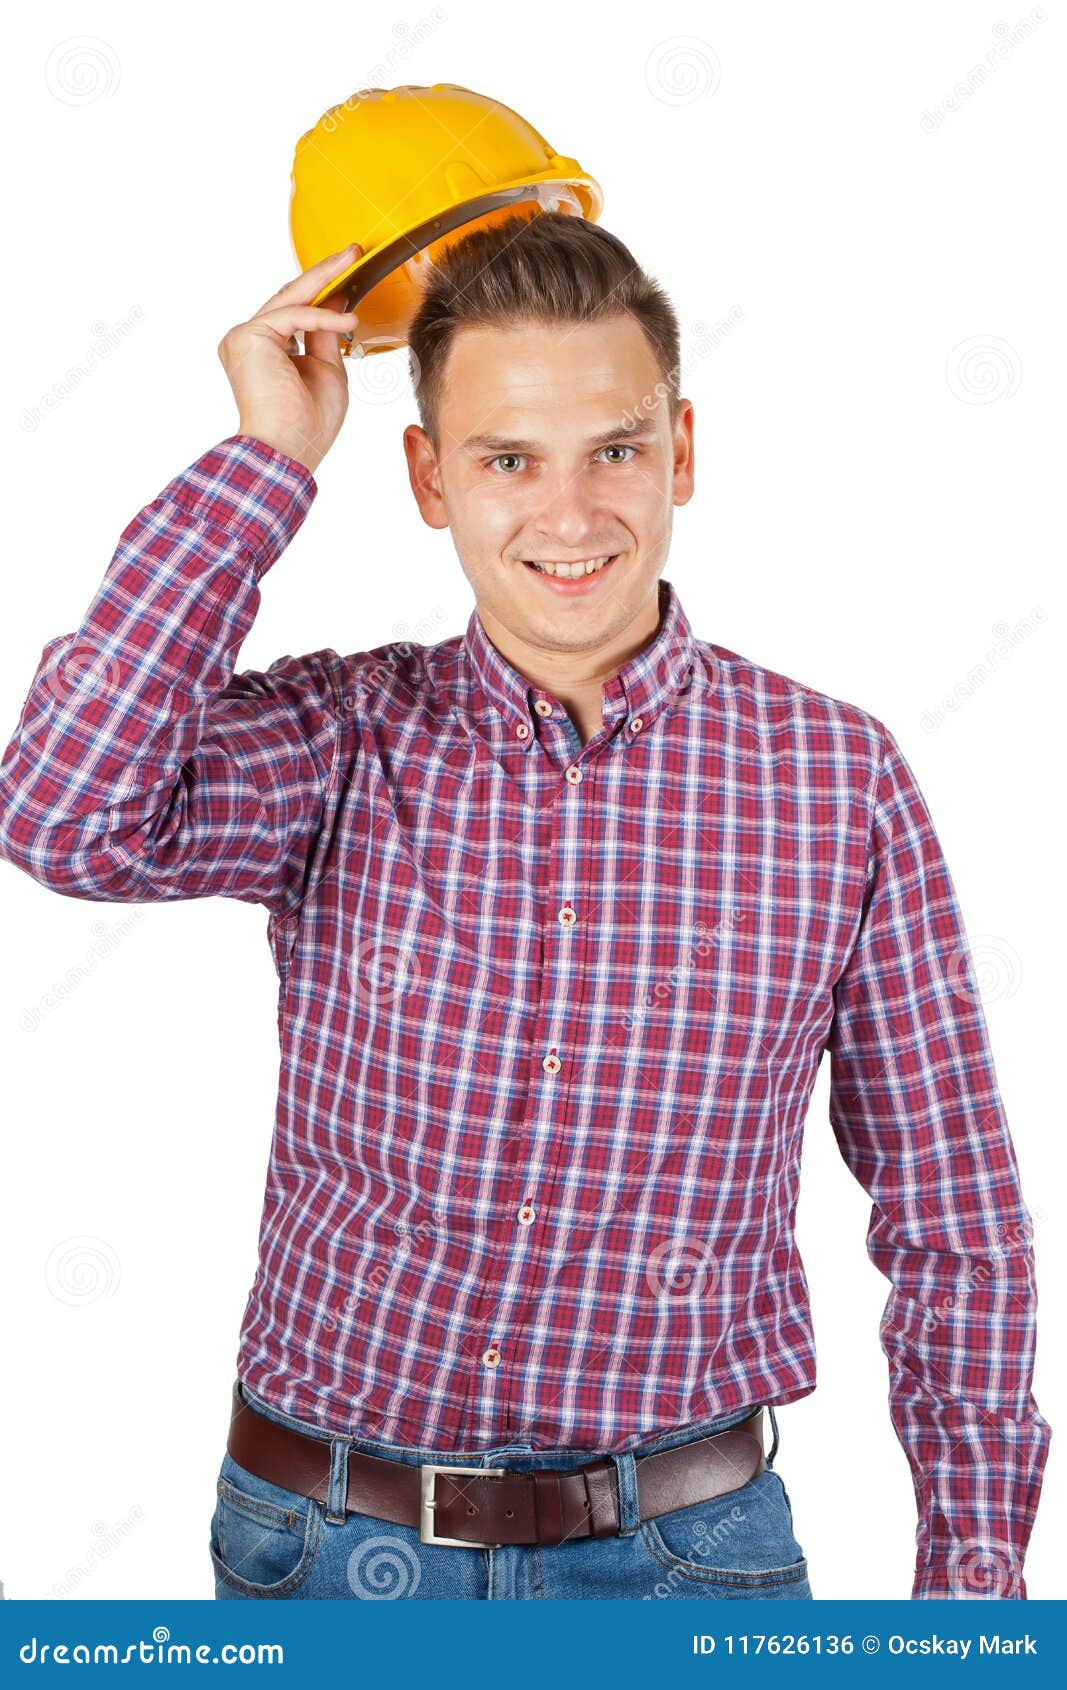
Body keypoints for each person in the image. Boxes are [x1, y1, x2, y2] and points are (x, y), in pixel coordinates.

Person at [0, 213, 1049, 1602]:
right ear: (430, 477)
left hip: (688, 1562)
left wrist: (972, 1573)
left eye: (612, 449)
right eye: (507, 460)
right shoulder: (341, 736)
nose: (568, 515)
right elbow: (62, 812)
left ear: (681, 449)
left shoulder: (835, 779)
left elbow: (951, 1202)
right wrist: (265, 462)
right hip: (326, 1550)